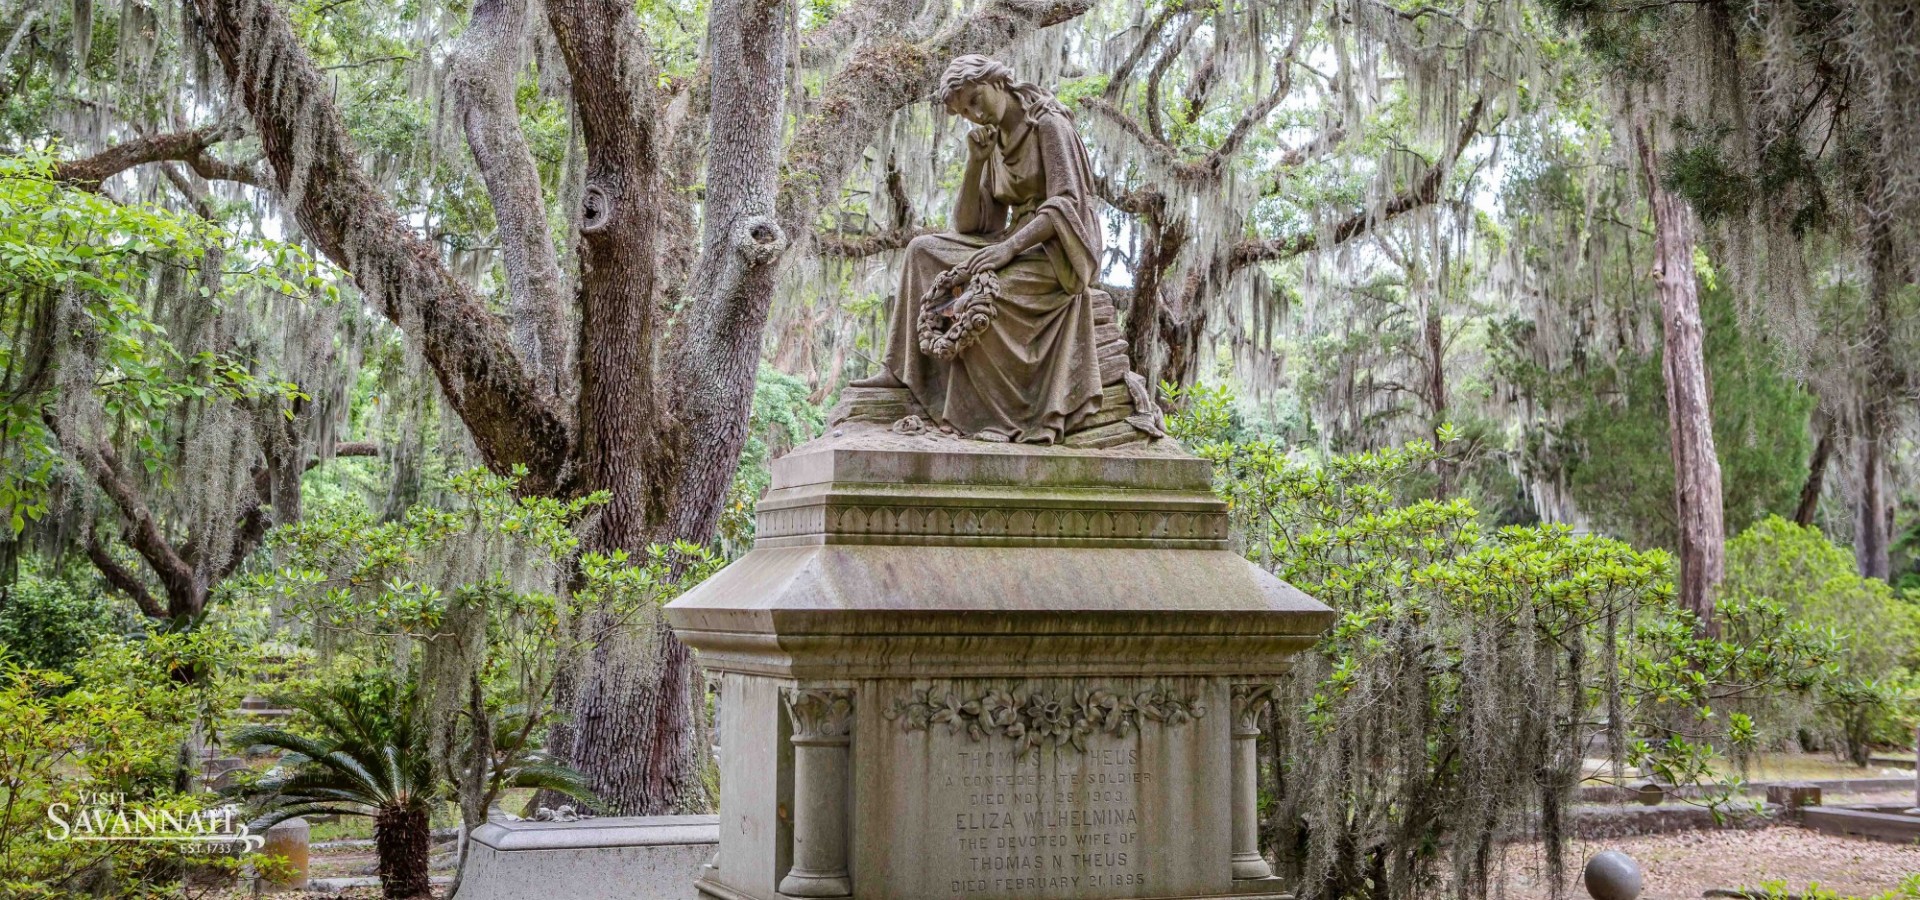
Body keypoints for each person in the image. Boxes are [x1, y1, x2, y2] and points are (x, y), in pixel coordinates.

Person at [850, 55, 1106, 444]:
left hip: (1056, 251)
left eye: (975, 99)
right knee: (921, 250)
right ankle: (899, 370)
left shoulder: (1047, 123)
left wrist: (1008, 250)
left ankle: (998, 416)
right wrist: (976, 163)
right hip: (1012, 241)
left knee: (979, 295)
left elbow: (1066, 204)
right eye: (965, 111)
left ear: (996, 81)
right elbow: (972, 226)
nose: (974, 114)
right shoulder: (994, 140)